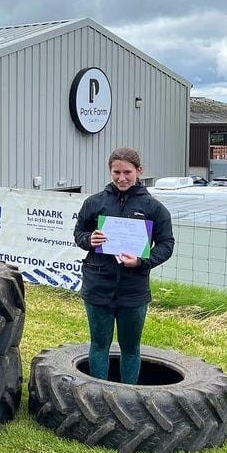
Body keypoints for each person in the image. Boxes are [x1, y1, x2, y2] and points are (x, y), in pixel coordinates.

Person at [74, 147, 174, 384]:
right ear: (109, 171)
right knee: (99, 344)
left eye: (127, 172)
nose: (121, 178)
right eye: (116, 172)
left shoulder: (154, 208)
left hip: (133, 289)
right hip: (98, 285)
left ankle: (130, 394)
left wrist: (141, 261)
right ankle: (98, 392)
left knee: (130, 347)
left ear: (139, 171)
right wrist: (89, 239)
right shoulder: (95, 202)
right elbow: (79, 232)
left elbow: (166, 244)